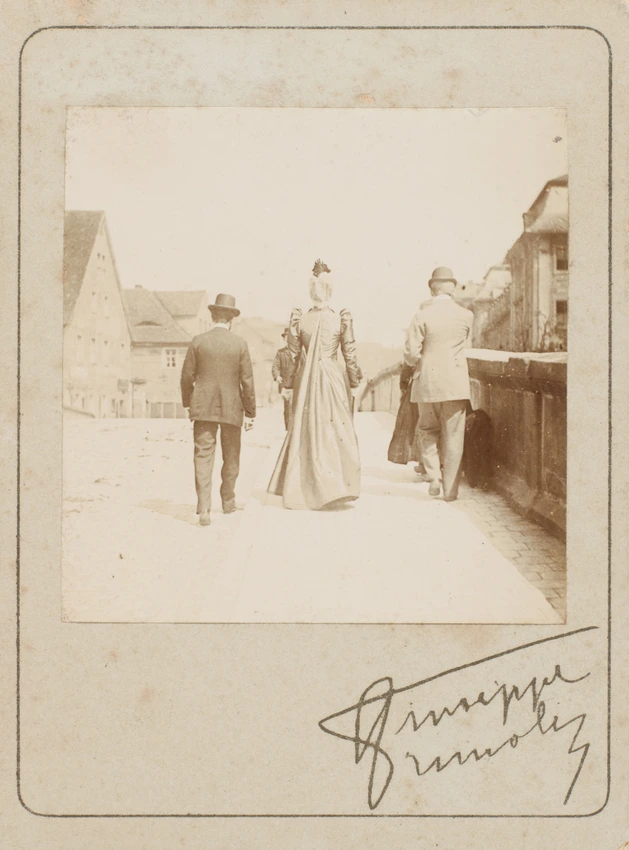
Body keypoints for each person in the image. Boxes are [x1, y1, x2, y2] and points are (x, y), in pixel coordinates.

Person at [267, 260, 362, 510]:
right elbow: (349, 353)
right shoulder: (341, 318)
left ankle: (305, 486)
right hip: (332, 377)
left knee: (306, 429)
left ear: (312, 291)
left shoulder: (300, 319)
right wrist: (354, 382)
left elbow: (293, 354)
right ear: (330, 291)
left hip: (307, 379)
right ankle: (335, 487)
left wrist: (288, 385)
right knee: (336, 430)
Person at [180, 293, 256, 526]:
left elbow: (186, 376)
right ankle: (228, 501)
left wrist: (187, 402)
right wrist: (251, 412)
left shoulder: (198, 341)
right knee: (231, 455)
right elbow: (247, 381)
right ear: (231, 319)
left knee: (203, 456)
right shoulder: (240, 344)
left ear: (212, 316)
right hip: (233, 408)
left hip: (202, 408)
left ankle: (204, 508)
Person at [403, 266, 473, 502]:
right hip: (455, 384)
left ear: (432, 289)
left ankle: (434, 477)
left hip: (427, 384)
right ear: (452, 288)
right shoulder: (466, 315)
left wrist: (420, 360)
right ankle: (451, 490)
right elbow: (466, 349)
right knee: (454, 437)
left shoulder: (421, 315)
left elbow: (411, 354)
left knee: (427, 430)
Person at [271, 328, 295, 429]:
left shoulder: (300, 352)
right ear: (284, 339)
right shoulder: (280, 353)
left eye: (290, 338)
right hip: (286, 386)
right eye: (286, 337)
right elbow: (275, 367)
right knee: (288, 409)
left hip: (298, 385)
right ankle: (288, 431)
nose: (288, 339)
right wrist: (277, 376)